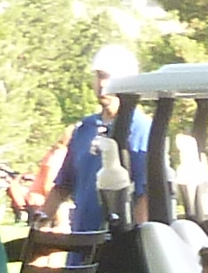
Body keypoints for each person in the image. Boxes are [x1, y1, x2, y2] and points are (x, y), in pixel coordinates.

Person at [43, 46, 137, 236]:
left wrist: (139, 243)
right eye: (99, 76)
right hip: (82, 244)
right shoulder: (85, 128)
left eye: (108, 77)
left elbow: (146, 195)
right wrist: (41, 219)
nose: (103, 84)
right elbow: (64, 185)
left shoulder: (140, 129)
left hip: (118, 248)